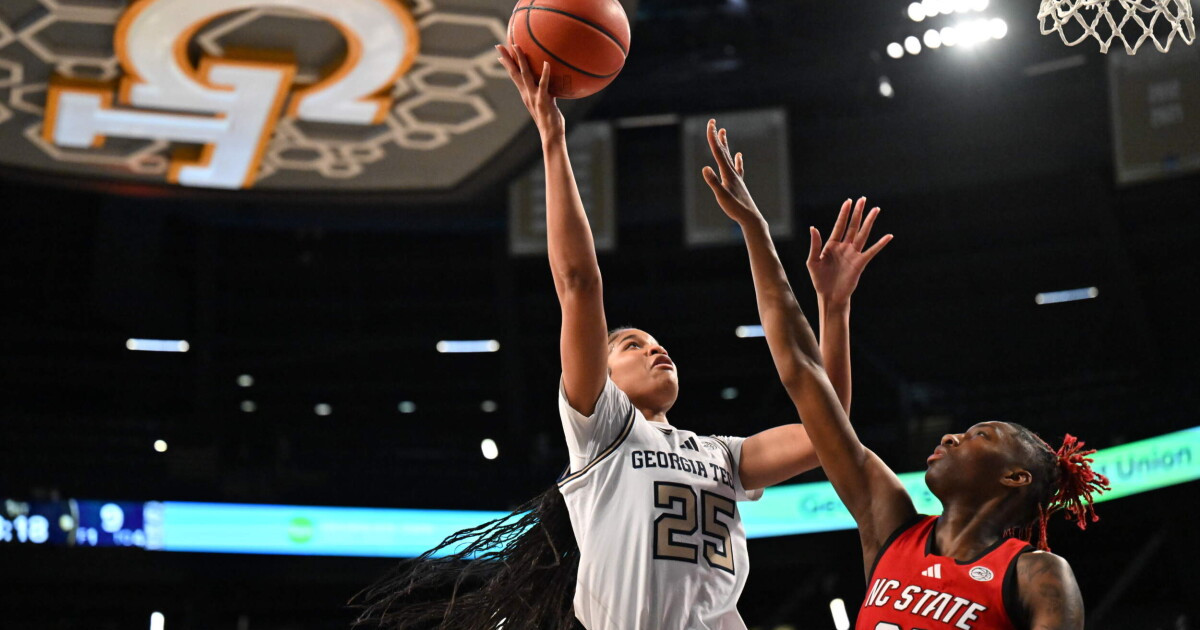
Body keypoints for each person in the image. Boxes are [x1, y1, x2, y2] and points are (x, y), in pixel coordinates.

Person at [352, 46, 879, 630]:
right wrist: (553, 137)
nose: (657, 348)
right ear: (600, 377)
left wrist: (834, 306)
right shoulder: (601, 430)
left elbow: (830, 426)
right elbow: (578, 283)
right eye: (632, 344)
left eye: (656, 343)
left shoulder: (721, 456)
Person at [703, 123, 1111, 630]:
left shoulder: (1034, 575)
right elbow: (804, 377)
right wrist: (763, 237)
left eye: (980, 435)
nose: (952, 435)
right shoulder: (890, 521)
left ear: (1015, 477)